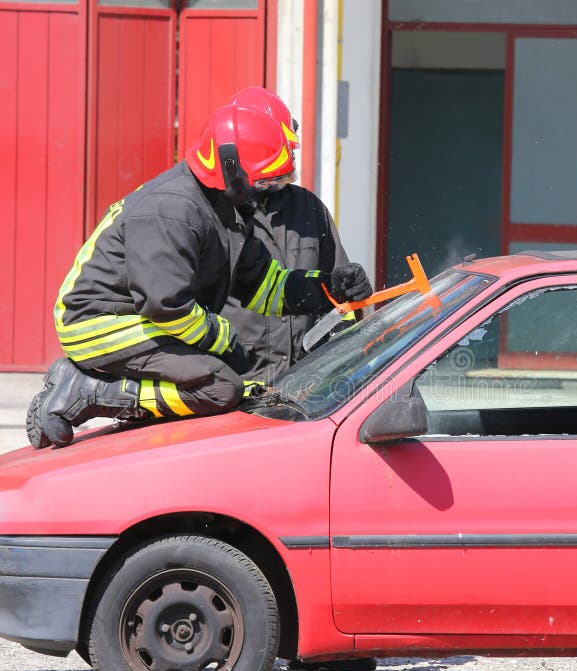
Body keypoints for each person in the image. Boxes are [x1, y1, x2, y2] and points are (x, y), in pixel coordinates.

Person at [26, 101, 371, 449]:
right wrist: (223, 339)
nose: (271, 190)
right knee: (219, 387)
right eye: (265, 181)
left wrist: (326, 287)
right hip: (96, 321)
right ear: (232, 168)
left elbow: (265, 286)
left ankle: (95, 390)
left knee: (221, 381)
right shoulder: (174, 209)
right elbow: (166, 305)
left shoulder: (226, 207)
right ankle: (87, 390)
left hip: (147, 316)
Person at [221, 87, 354, 383]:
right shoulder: (216, 213)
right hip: (235, 384)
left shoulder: (309, 208)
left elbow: (340, 299)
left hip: (304, 385)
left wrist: (344, 364)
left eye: (287, 151)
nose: (286, 160)